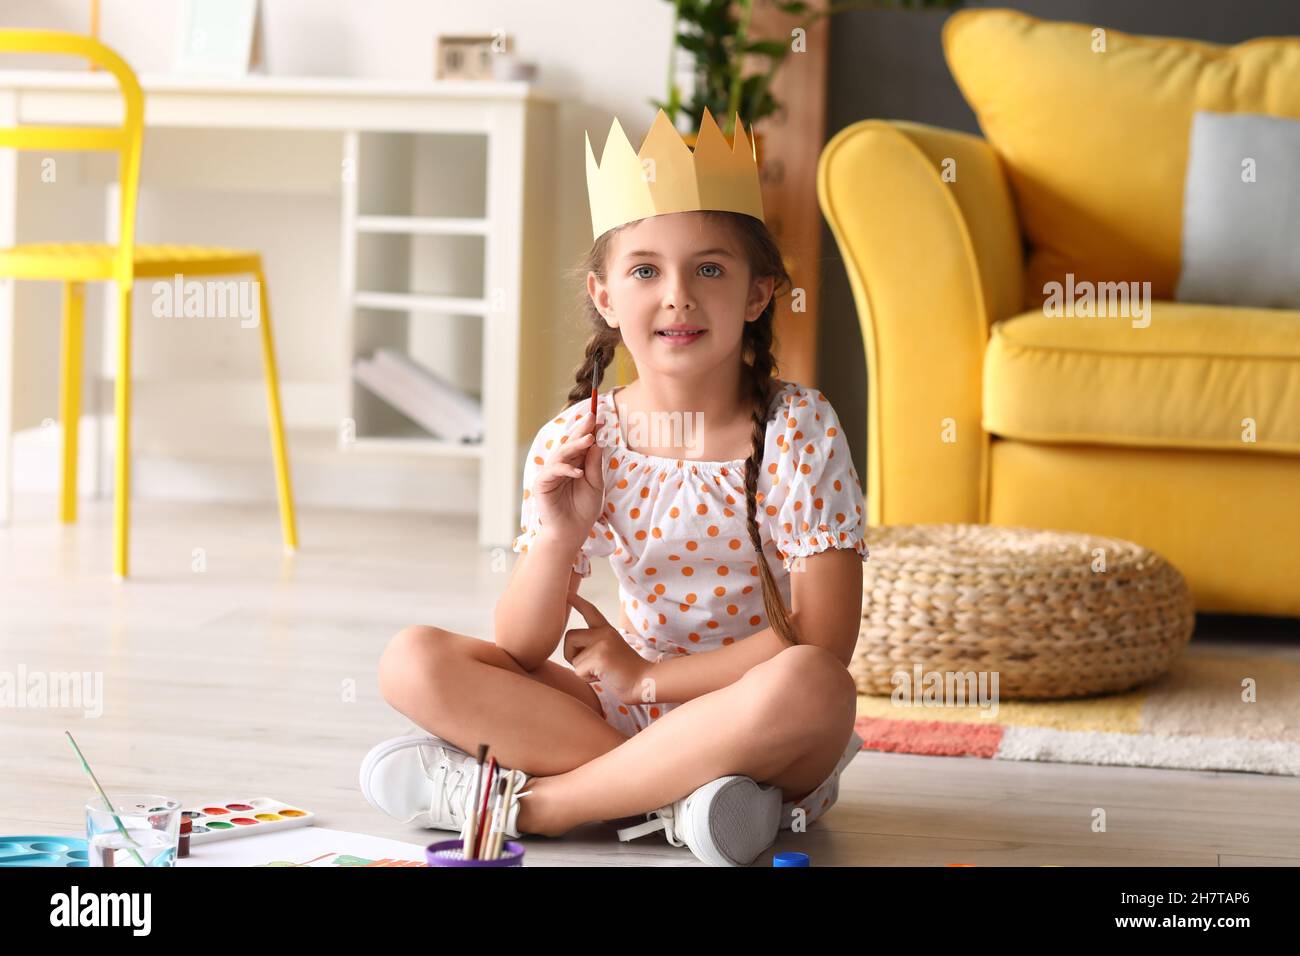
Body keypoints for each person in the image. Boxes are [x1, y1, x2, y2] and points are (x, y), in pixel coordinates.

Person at [360, 108, 868, 866]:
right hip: (618, 715)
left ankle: (540, 805)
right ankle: (683, 803)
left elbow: (824, 637)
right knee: (411, 658)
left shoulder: (800, 428)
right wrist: (559, 536)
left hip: (761, 722)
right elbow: (522, 645)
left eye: (710, 269)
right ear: (604, 296)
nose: (677, 295)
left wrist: (652, 678)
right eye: (645, 271)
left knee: (813, 681)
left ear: (758, 294)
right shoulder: (578, 438)